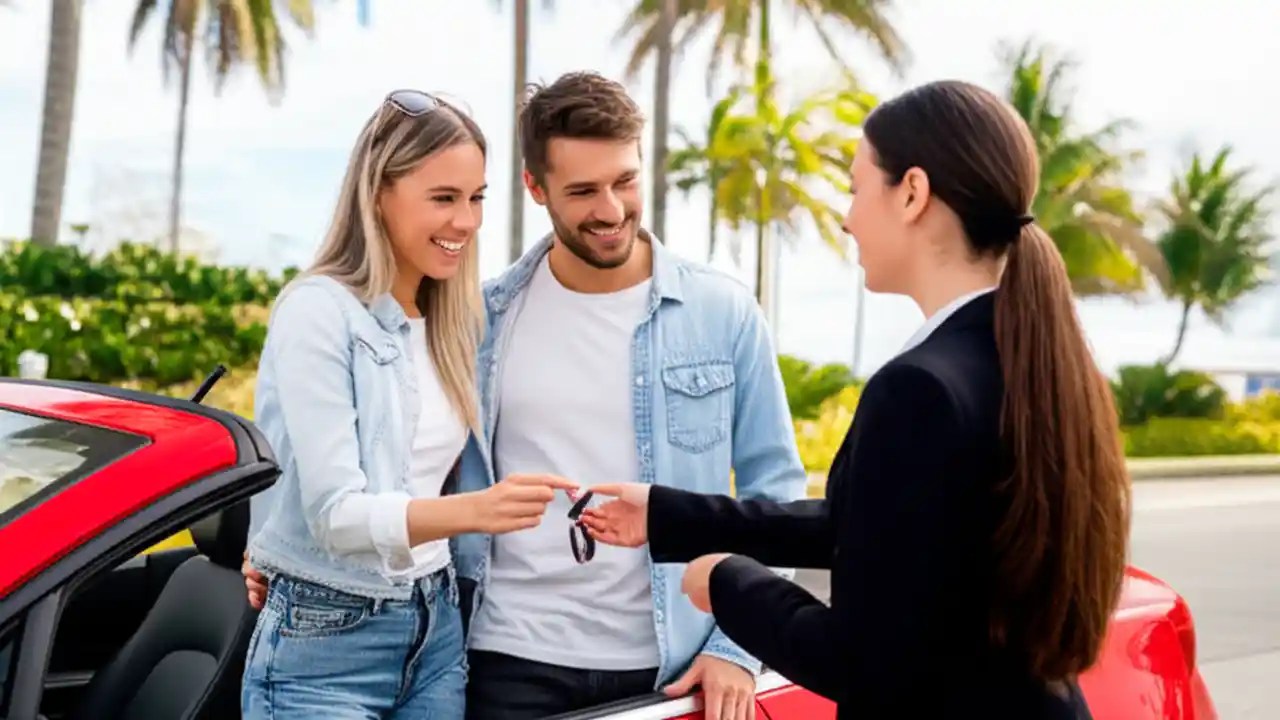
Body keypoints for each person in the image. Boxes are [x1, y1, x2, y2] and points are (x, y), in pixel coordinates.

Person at [582, 79, 1132, 720]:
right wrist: (667, 516)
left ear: (913, 193)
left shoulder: (920, 389)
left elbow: (866, 662)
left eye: (854, 187)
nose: (846, 217)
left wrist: (732, 581)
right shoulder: (1035, 361)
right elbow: (879, 528)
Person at [452, 71, 806, 720]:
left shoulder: (721, 311)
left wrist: (738, 645)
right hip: (509, 662)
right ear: (535, 187)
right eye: (583, 191)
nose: (611, 210)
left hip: (672, 673)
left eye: (625, 181)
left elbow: (775, 489)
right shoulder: (483, 321)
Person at [239, 89, 578, 719]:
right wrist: (474, 511)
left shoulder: (458, 321)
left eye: (476, 198)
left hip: (437, 631)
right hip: (326, 642)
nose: (466, 222)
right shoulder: (318, 313)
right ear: (378, 193)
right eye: (443, 198)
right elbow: (334, 514)